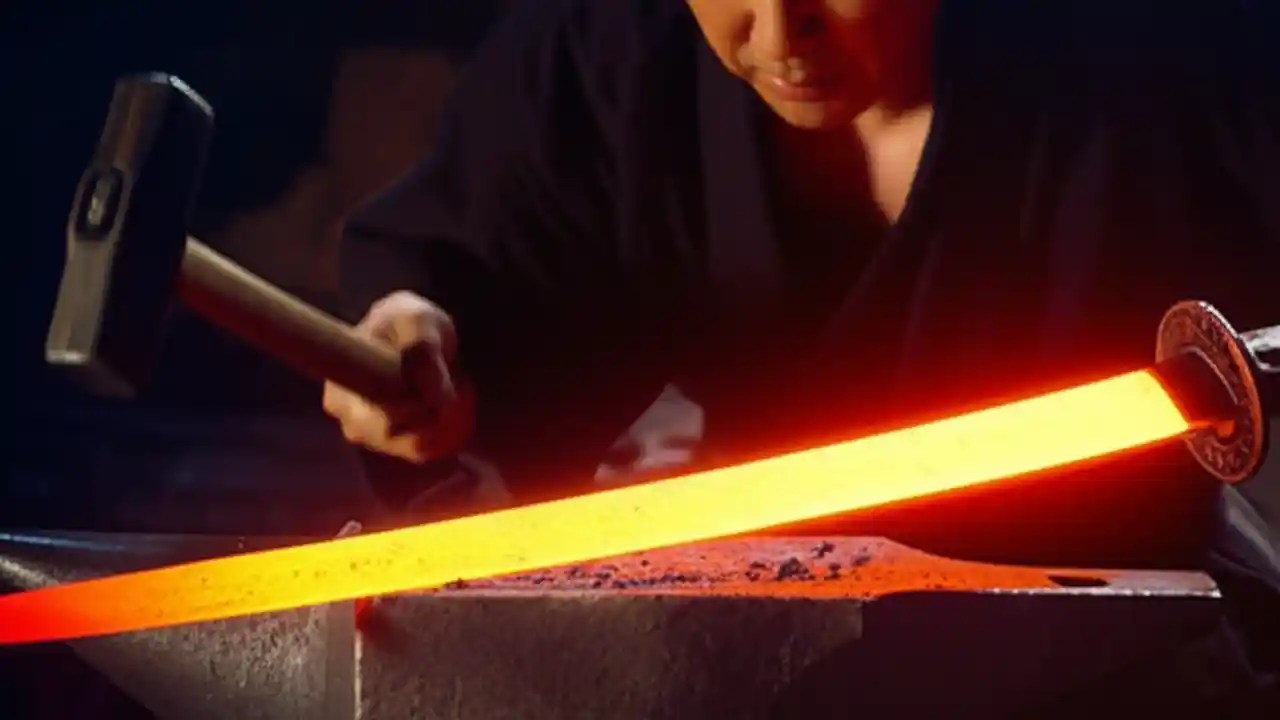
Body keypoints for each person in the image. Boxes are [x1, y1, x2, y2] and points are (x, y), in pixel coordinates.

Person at [324, 0, 1278, 708]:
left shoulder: (1163, 43)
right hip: (772, 622)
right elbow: (466, 271)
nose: (780, 37)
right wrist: (423, 332)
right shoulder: (620, 44)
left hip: (1138, 631)